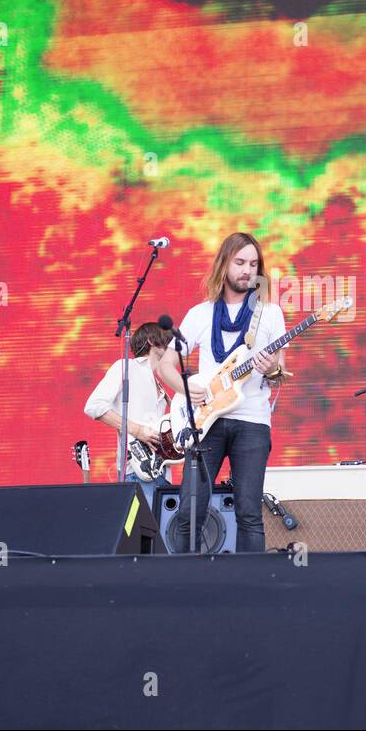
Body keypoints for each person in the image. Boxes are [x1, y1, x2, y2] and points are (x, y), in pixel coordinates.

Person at [156, 232, 286, 553]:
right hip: (205, 423)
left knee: (249, 513)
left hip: (252, 420)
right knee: (190, 511)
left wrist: (269, 368)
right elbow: (166, 367)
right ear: (224, 264)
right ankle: (190, 585)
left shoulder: (269, 313)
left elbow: (278, 374)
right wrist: (189, 390)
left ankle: (249, 590)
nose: (246, 270)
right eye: (240, 262)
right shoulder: (200, 313)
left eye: (253, 264)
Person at [84, 320, 174, 508]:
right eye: (165, 340)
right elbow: (94, 405)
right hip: (136, 470)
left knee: (162, 534)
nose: (169, 345)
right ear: (151, 340)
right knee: (139, 535)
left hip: (163, 473)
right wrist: (137, 429)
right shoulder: (126, 367)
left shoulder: (160, 383)